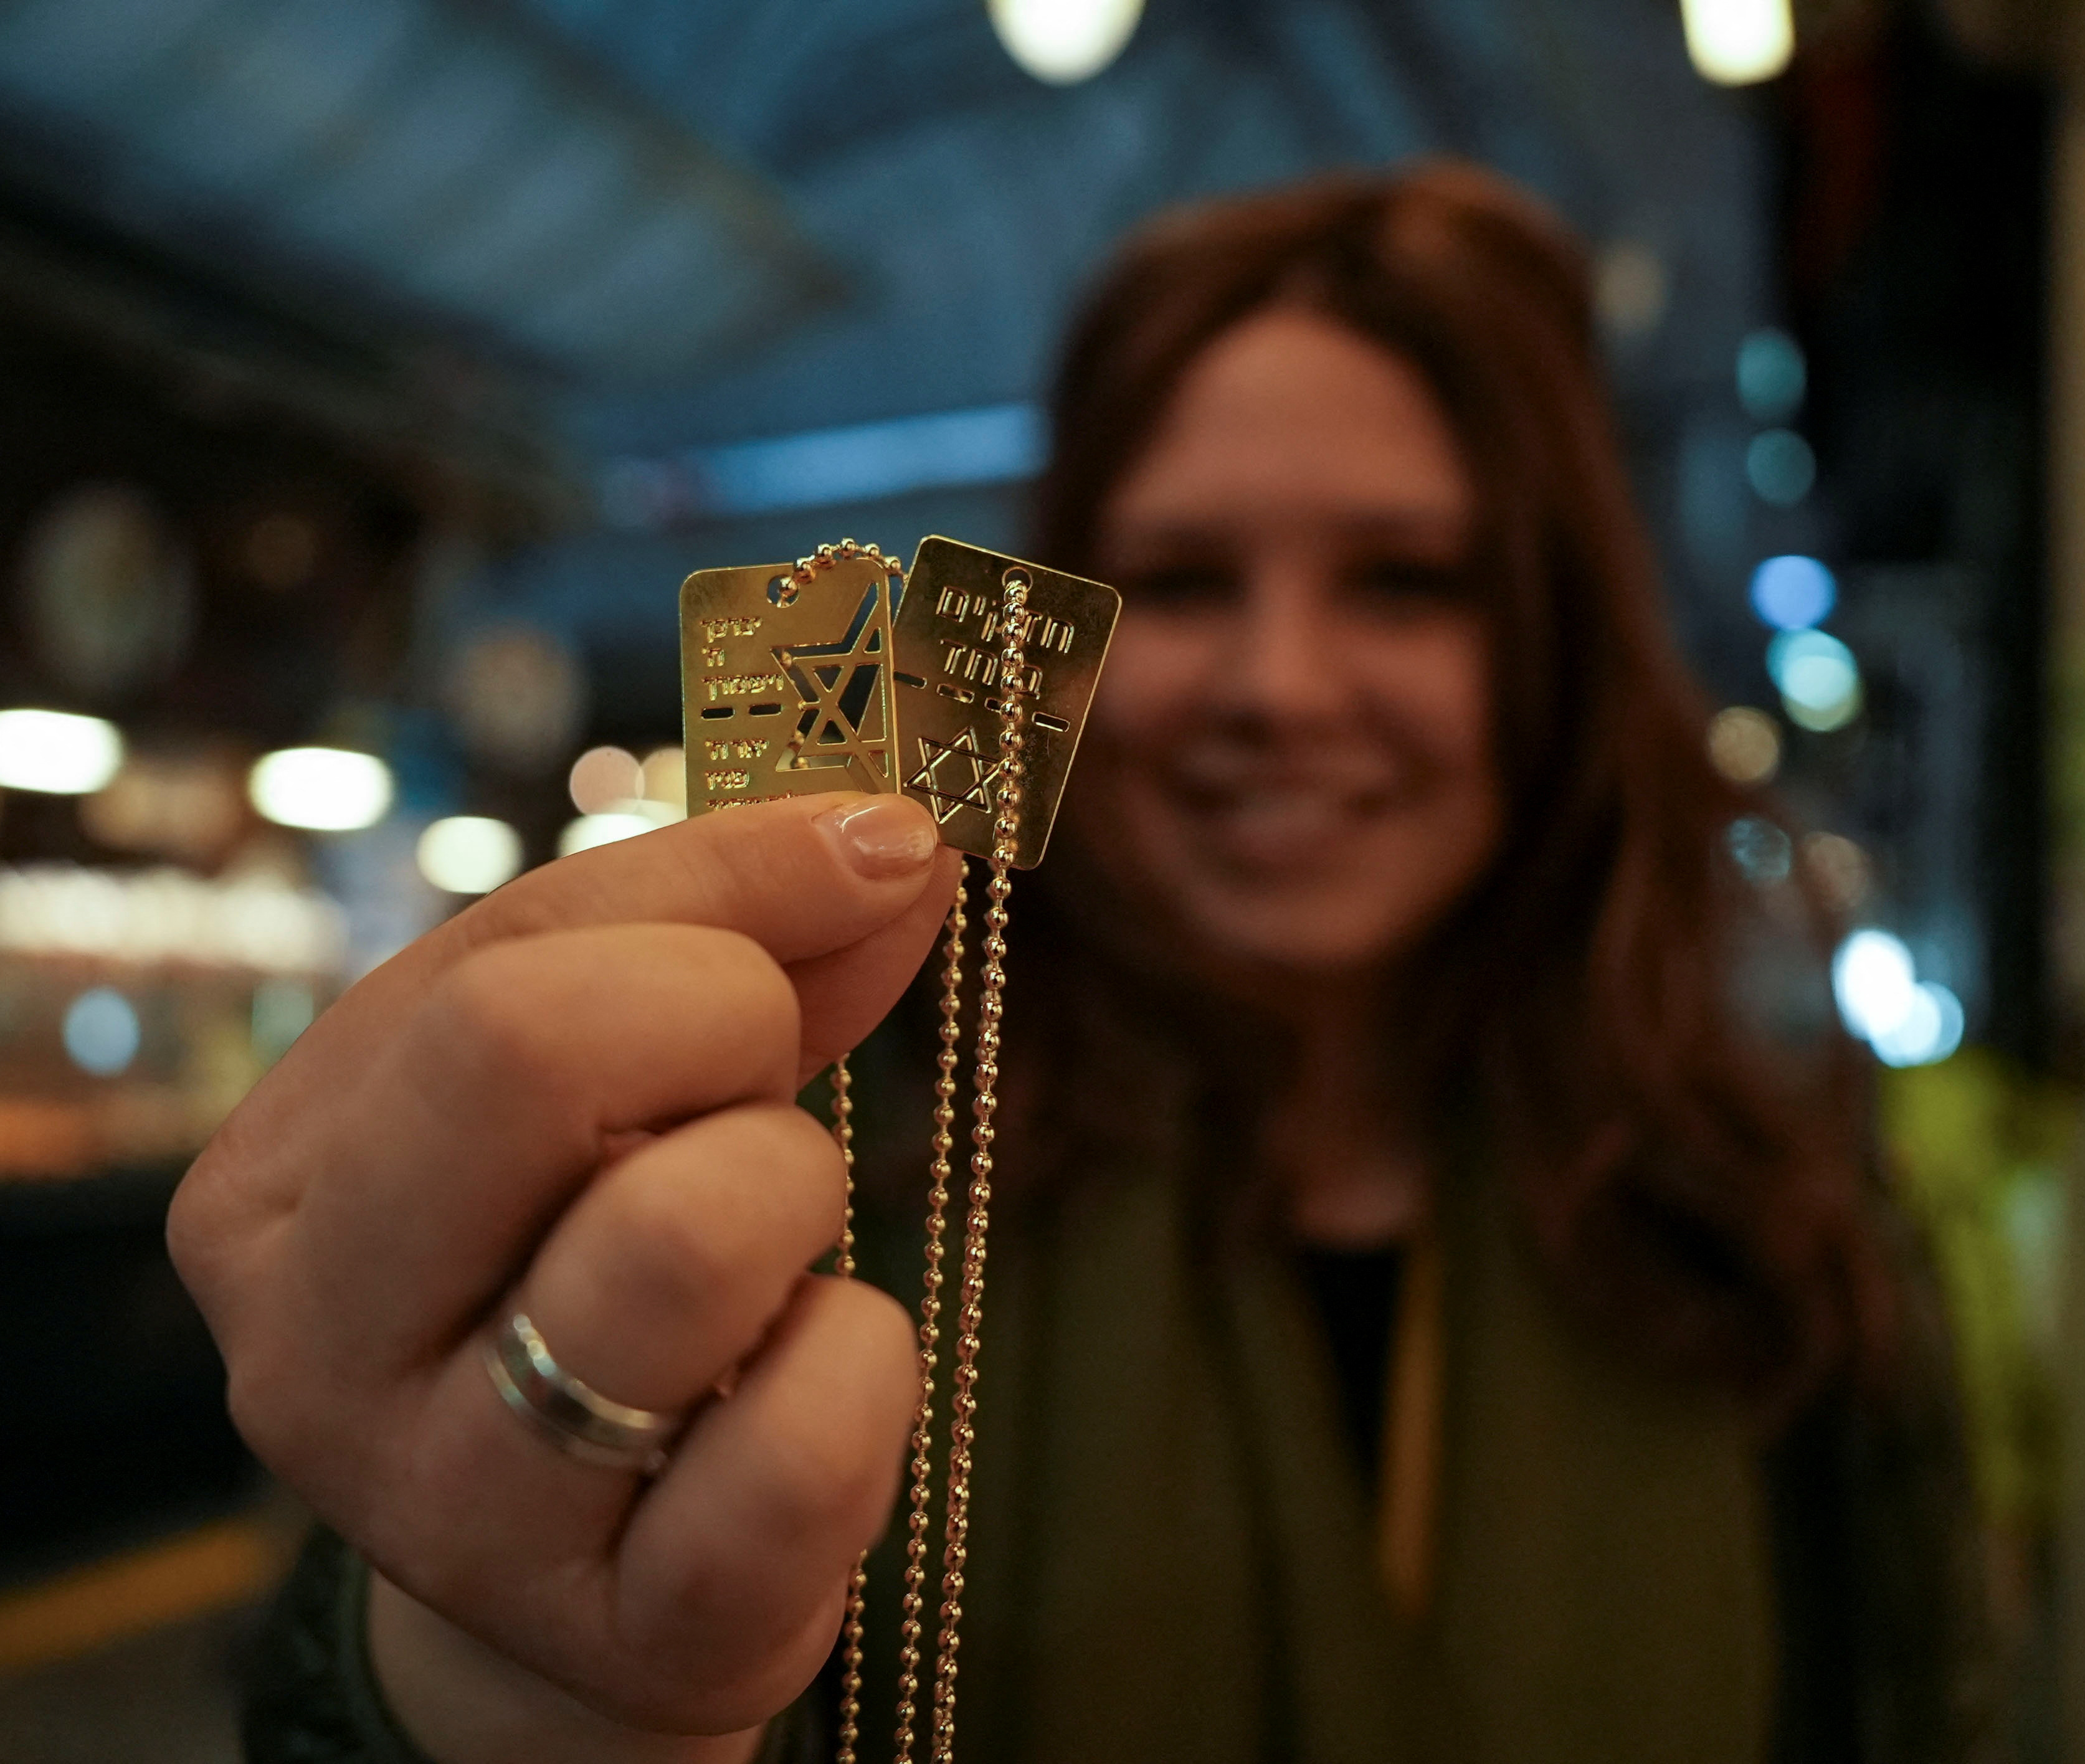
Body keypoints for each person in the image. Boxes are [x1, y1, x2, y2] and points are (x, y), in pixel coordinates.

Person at [176, 163, 1988, 1763]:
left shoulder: (1760, 1199)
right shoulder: (827, 1145)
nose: (1282, 689)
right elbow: (367, 1682)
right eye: (1184, 583)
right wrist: (490, 1681)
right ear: (1046, 659)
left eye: (1407, 582)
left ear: (1556, 646)